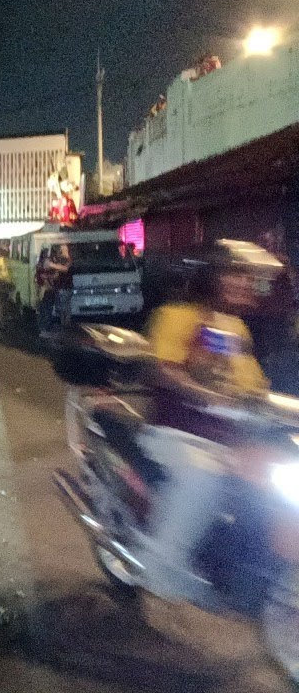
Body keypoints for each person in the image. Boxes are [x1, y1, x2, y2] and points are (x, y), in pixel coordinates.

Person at [137, 240, 281, 602]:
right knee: (204, 477)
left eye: (248, 276)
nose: (246, 283)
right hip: (177, 433)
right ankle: (162, 567)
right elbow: (166, 371)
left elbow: (250, 382)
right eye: (236, 273)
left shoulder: (234, 327)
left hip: (228, 436)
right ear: (212, 276)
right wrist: (207, 395)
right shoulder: (176, 316)